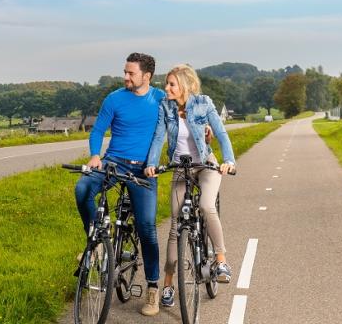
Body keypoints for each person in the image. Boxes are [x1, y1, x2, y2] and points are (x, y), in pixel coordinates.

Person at [74, 52, 166, 316]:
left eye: (131, 73)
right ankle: (98, 244)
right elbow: (97, 130)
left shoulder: (160, 99)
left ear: (146, 76)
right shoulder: (114, 99)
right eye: (124, 72)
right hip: (112, 163)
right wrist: (94, 155)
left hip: (143, 171)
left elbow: (181, 119)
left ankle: (152, 288)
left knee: (146, 227)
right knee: (82, 189)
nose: (125, 76)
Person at [143, 64, 236, 308]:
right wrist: (152, 164)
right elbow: (158, 137)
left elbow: (221, 133)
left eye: (172, 84)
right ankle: (168, 284)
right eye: (167, 83)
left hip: (206, 165)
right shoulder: (166, 106)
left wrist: (228, 161)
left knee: (206, 204)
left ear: (185, 85)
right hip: (179, 168)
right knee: (175, 224)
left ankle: (221, 260)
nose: (167, 88)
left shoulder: (204, 103)